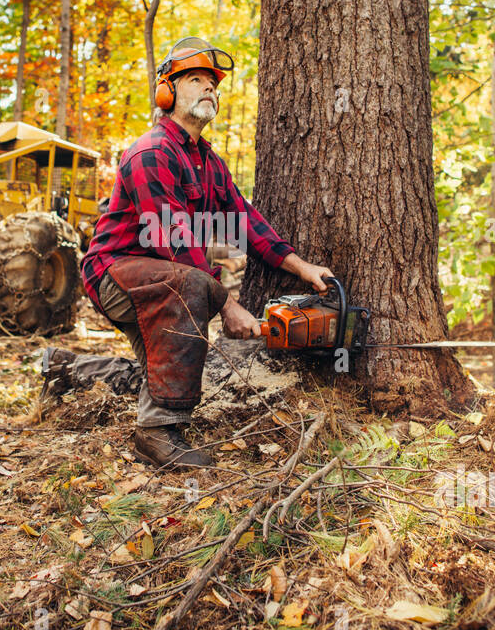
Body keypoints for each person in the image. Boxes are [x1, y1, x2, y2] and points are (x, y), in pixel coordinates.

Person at [41, 37, 333, 469]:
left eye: (213, 83)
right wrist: (228, 304)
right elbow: (175, 240)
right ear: (167, 91)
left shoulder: (208, 161)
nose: (209, 89)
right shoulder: (151, 151)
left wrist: (300, 266)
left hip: (160, 280)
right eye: (195, 80)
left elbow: (244, 219)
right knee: (195, 284)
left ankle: (64, 368)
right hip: (117, 274)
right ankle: (156, 435)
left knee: (164, 371)